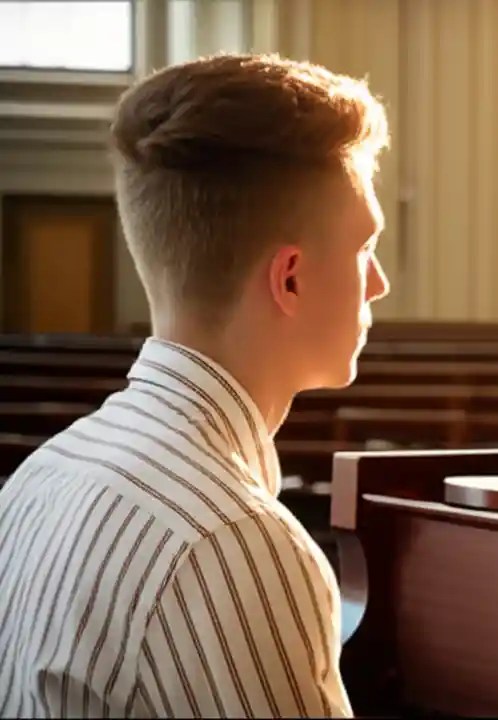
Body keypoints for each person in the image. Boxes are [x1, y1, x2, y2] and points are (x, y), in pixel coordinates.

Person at [0, 52, 390, 718]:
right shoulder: (237, 543)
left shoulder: (40, 474)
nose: (378, 282)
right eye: (362, 249)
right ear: (290, 277)